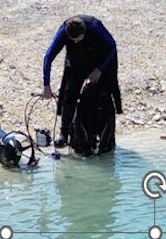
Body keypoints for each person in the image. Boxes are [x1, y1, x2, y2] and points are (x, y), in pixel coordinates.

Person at [40, 15, 122, 148]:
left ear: (84, 32)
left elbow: (113, 47)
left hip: (100, 58)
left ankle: (105, 135)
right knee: (69, 94)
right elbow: (48, 57)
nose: (76, 42)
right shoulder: (64, 32)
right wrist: (46, 85)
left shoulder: (94, 27)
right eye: (72, 40)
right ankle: (64, 133)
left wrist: (99, 70)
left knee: (102, 95)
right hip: (76, 60)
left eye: (78, 39)